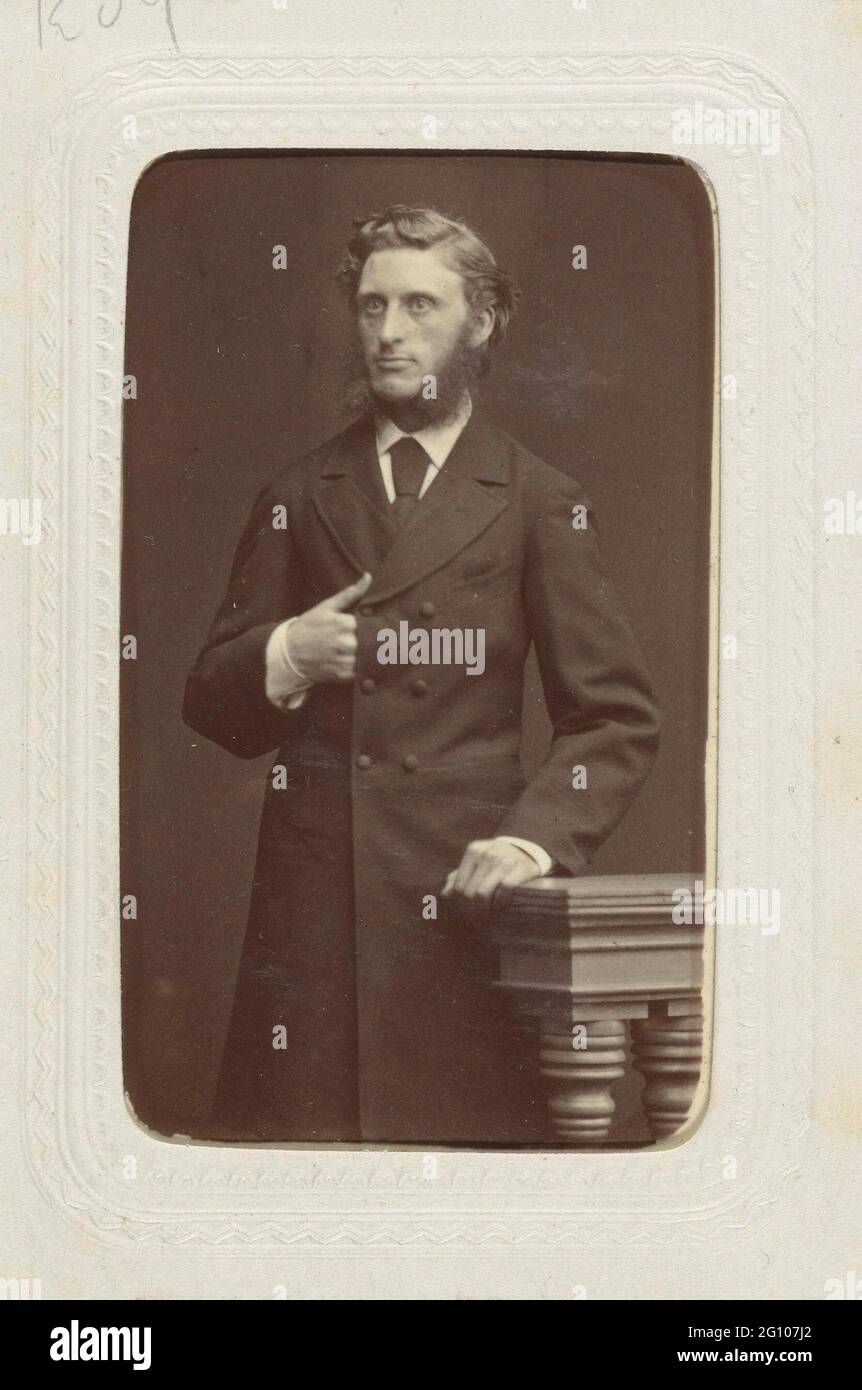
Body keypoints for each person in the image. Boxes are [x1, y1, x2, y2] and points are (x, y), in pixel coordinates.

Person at [183, 205, 662, 1144]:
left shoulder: (537, 501)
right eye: (371, 308)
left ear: (480, 323)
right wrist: (287, 652)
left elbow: (613, 718)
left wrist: (531, 843)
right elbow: (211, 702)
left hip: (464, 909)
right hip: (315, 916)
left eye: (418, 306)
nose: (389, 332)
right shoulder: (297, 492)